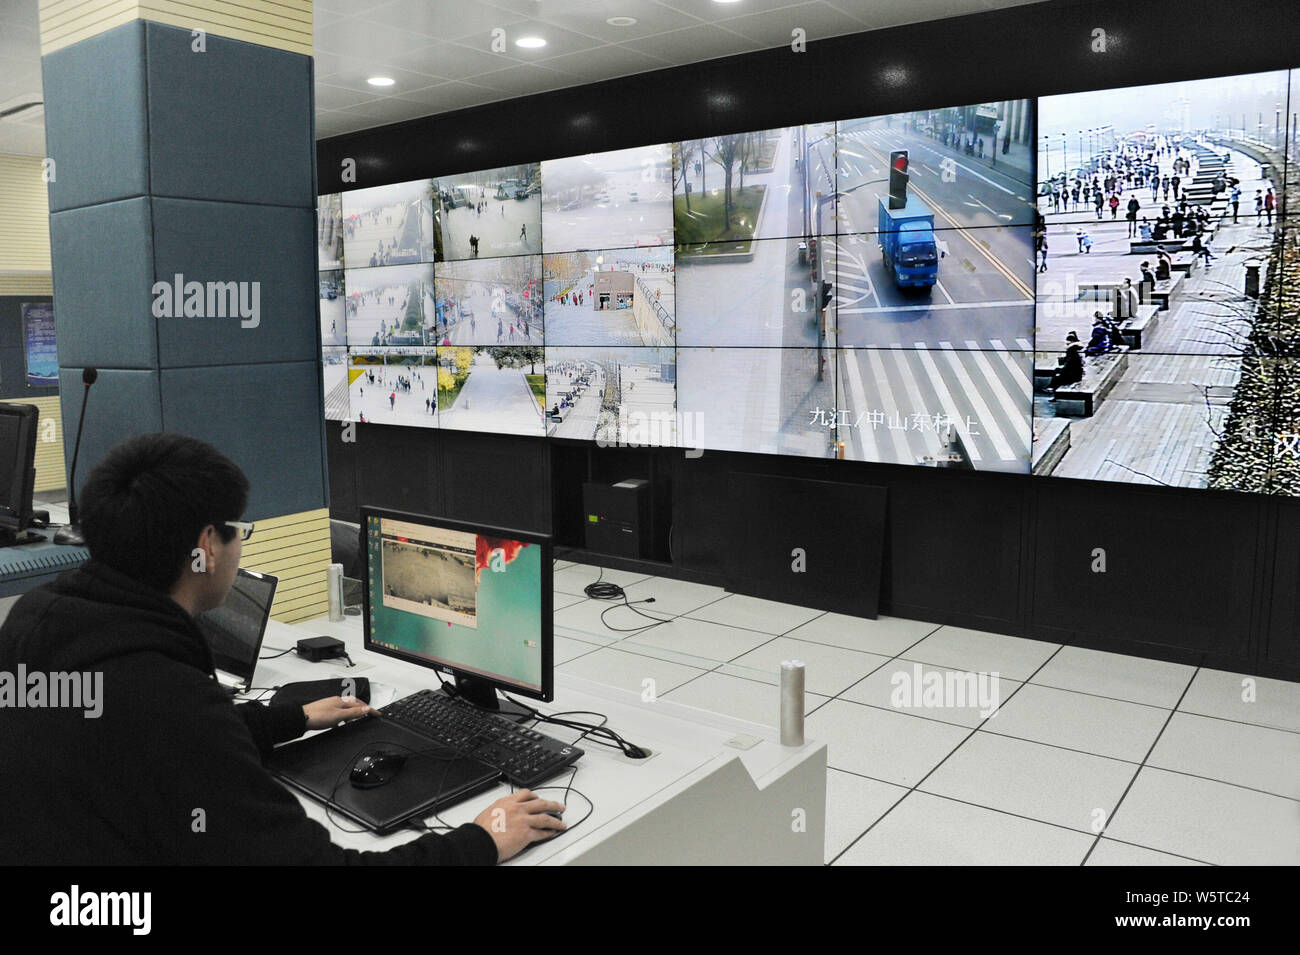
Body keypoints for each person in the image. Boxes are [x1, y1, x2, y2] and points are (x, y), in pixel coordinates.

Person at [0, 433, 564, 865]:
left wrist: (282, 718)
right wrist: (480, 842)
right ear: (207, 548)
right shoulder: (166, 696)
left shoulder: (38, 618)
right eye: (239, 530)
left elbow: (133, 743)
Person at [1048, 332, 1085, 397]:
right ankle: (1051, 387)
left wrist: (1061, 372)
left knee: (1058, 378)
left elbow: (1068, 365)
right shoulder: (1075, 349)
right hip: (1077, 372)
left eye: (1067, 342)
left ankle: (1053, 392)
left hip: (1074, 375)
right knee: (1058, 372)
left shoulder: (1071, 350)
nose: (1066, 343)